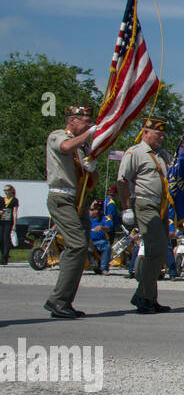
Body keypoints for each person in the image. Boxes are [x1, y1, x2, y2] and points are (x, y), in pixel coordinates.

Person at [43, 105, 98, 318]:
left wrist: (92, 169)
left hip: (79, 198)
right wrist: (88, 135)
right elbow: (65, 147)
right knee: (77, 245)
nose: (89, 125)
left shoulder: (83, 147)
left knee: (81, 248)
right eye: (85, 121)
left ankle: (64, 300)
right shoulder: (57, 136)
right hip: (61, 197)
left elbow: (91, 181)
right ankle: (57, 300)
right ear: (72, 120)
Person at [115, 116, 173, 314]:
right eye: (158, 134)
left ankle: (149, 297)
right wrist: (126, 208)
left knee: (159, 251)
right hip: (144, 202)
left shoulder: (163, 155)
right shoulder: (135, 152)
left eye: (163, 134)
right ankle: (143, 296)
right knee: (155, 248)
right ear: (145, 132)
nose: (162, 138)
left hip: (161, 205)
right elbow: (122, 181)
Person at [88, 201, 113, 275]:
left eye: (92, 210)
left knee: (106, 246)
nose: (90, 211)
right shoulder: (87, 219)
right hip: (87, 240)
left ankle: (104, 269)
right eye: (90, 209)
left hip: (99, 241)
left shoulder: (105, 218)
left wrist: (102, 227)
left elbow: (109, 228)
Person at [0, 183, 17, 265]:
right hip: (1, 221)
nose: (6, 192)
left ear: (11, 191)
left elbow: (14, 212)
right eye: (4, 190)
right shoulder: (1, 200)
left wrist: (14, 224)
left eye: (7, 190)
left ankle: (4, 258)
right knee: (0, 239)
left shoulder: (14, 200)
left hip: (8, 222)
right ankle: (4, 254)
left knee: (6, 239)